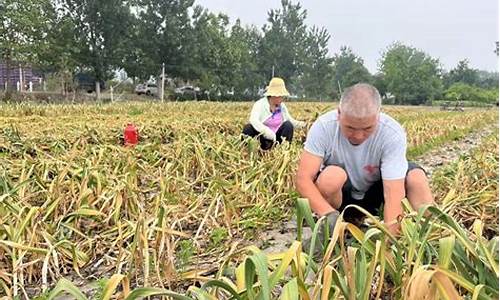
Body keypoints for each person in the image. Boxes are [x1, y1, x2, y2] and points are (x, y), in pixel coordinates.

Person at [295, 83, 434, 236]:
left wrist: (390, 241)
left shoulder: (391, 133)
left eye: (367, 128)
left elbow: (393, 192)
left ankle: (429, 232)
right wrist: (329, 215)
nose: (358, 136)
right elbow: (303, 179)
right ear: (339, 113)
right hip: (342, 201)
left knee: (416, 178)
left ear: (378, 115)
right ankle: (334, 223)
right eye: (350, 128)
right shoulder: (323, 127)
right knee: (331, 177)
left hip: (375, 197)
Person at [242, 77, 306, 150]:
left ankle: (283, 150)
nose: (282, 99)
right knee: (248, 128)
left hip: (277, 140)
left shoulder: (282, 107)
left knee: (288, 125)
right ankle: (248, 151)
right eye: (281, 96)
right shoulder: (260, 104)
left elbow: (291, 121)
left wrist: (304, 125)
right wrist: (267, 132)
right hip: (262, 139)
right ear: (275, 95)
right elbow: (254, 120)